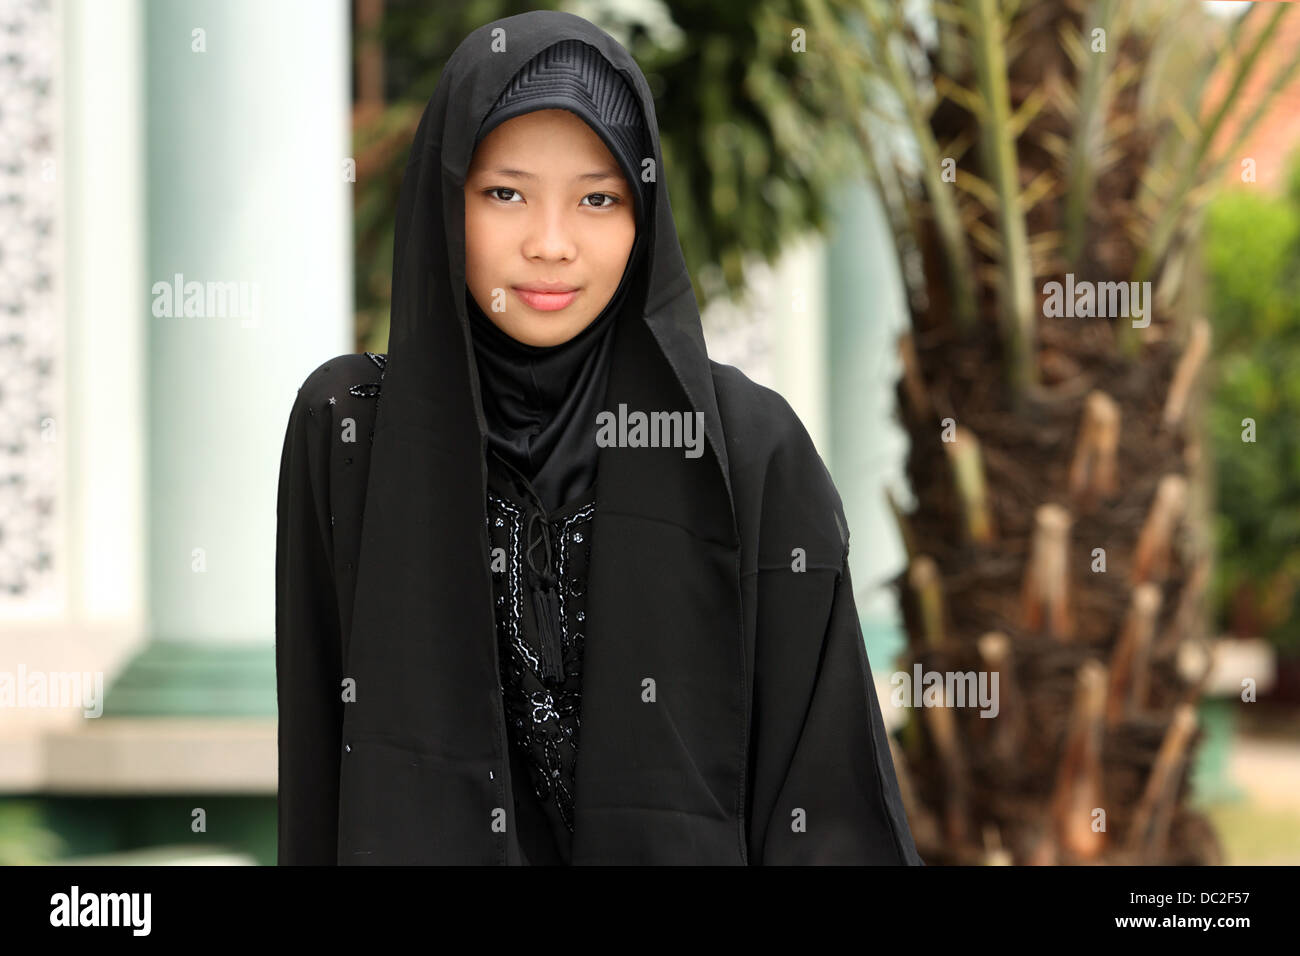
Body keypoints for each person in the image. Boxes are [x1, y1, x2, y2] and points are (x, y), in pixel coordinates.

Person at [275, 8, 924, 865]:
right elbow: (322, 772)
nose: (551, 245)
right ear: (446, 200)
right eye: (504, 193)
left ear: (642, 218)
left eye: (598, 198)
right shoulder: (351, 432)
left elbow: (828, 797)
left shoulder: (744, 450)